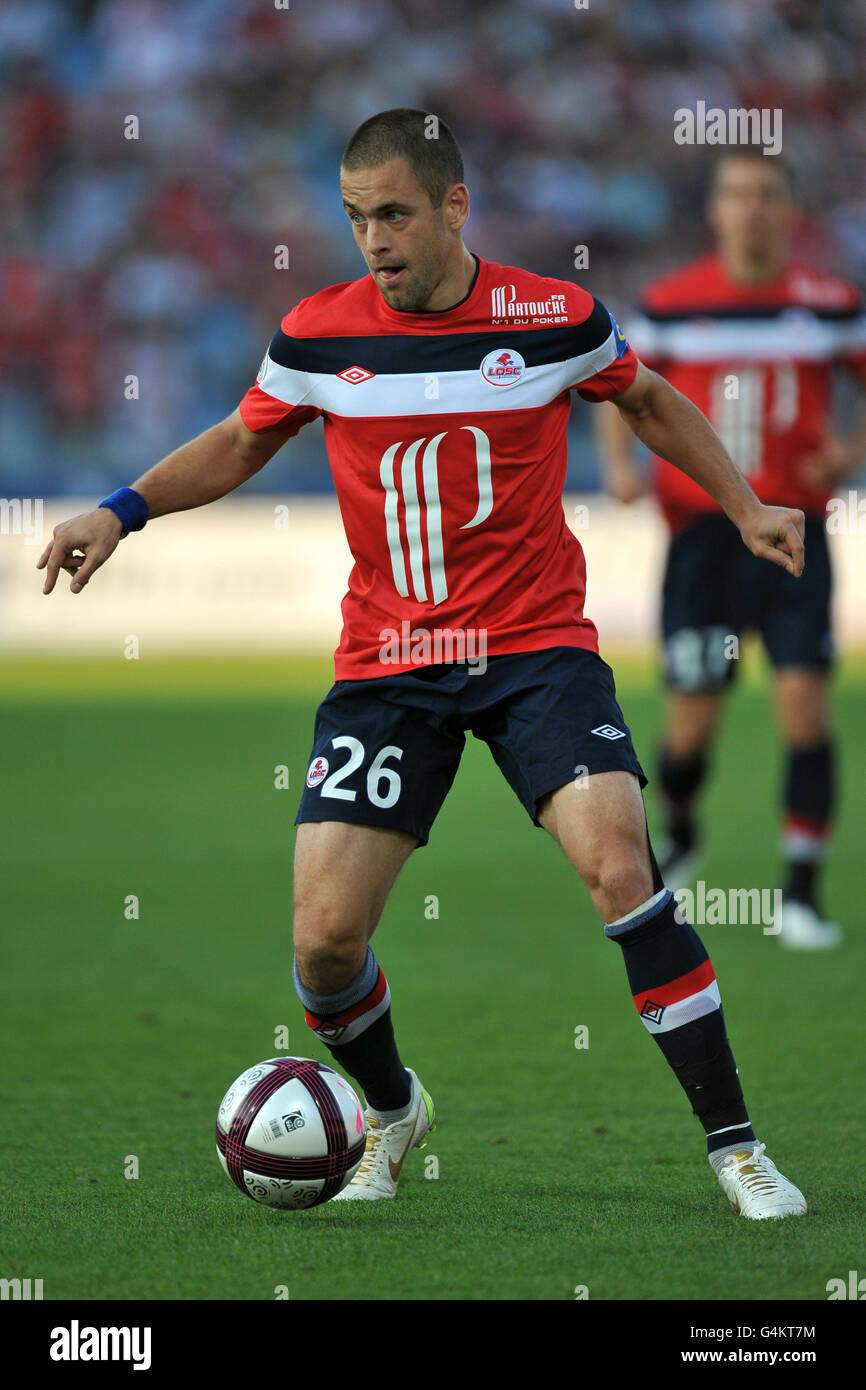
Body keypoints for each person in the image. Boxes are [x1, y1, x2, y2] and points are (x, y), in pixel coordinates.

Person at [39, 110, 809, 1218]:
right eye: (354, 218)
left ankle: (736, 1148)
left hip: (535, 648)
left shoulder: (553, 317)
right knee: (323, 944)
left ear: (454, 207)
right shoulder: (316, 334)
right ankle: (394, 1108)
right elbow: (241, 437)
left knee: (621, 872)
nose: (373, 240)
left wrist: (739, 507)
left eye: (393, 213)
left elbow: (641, 397)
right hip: (388, 666)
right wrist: (121, 510)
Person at [597, 148, 866, 951]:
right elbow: (618, 388)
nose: (751, 209)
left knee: (804, 707)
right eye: (738, 195)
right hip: (703, 544)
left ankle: (802, 895)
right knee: (688, 730)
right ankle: (682, 829)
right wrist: (617, 467)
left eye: (766, 196)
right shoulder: (670, 304)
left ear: (788, 212)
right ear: (715, 212)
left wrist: (848, 450)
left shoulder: (829, 304)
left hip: (793, 538)